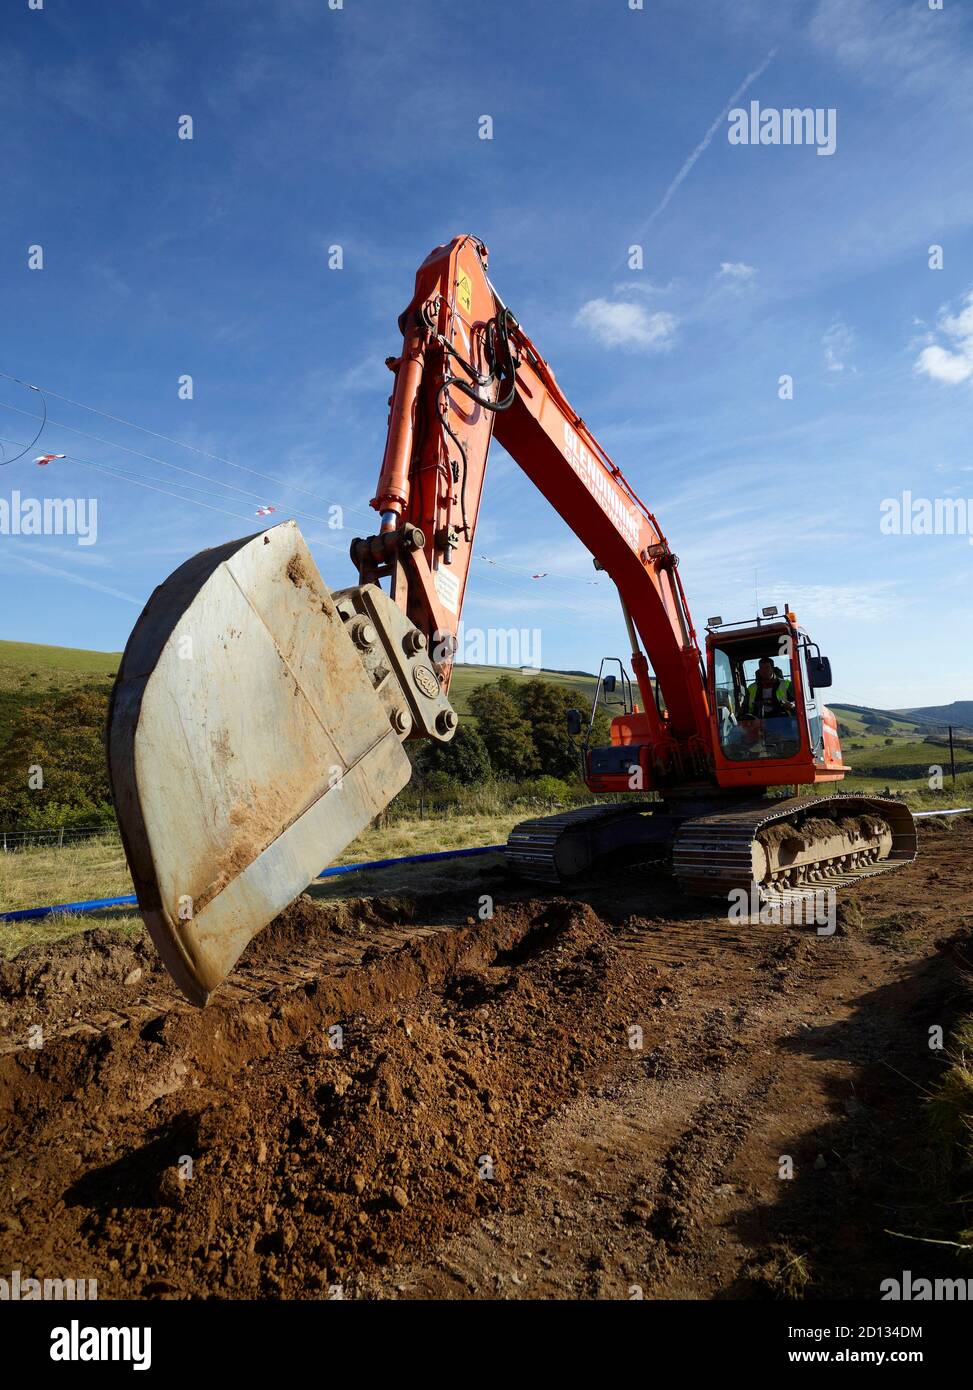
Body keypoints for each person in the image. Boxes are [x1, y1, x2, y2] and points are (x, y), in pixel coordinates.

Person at [741, 656, 795, 721]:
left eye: (767, 668)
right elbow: (745, 707)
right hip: (757, 723)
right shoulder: (751, 687)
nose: (764, 671)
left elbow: (798, 701)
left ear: (772, 669)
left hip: (782, 720)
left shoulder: (786, 684)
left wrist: (792, 704)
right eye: (761, 668)